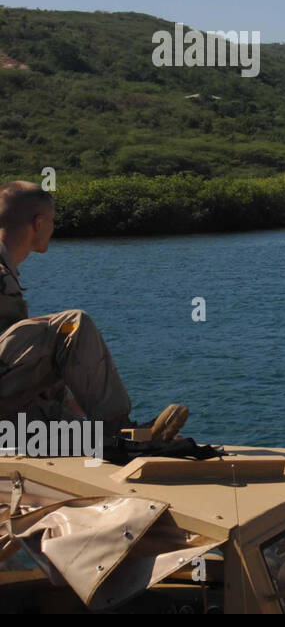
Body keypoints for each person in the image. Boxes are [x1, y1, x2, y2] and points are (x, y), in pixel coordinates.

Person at [0, 181, 186, 437]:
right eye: (52, 221)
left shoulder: (7, 272)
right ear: (39, 223)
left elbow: (24, 359)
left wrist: (62, 395)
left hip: (12, 396)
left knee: (83, 435)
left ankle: (121, 439)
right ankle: (120, 429)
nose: (53, 229)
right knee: (72, 326)